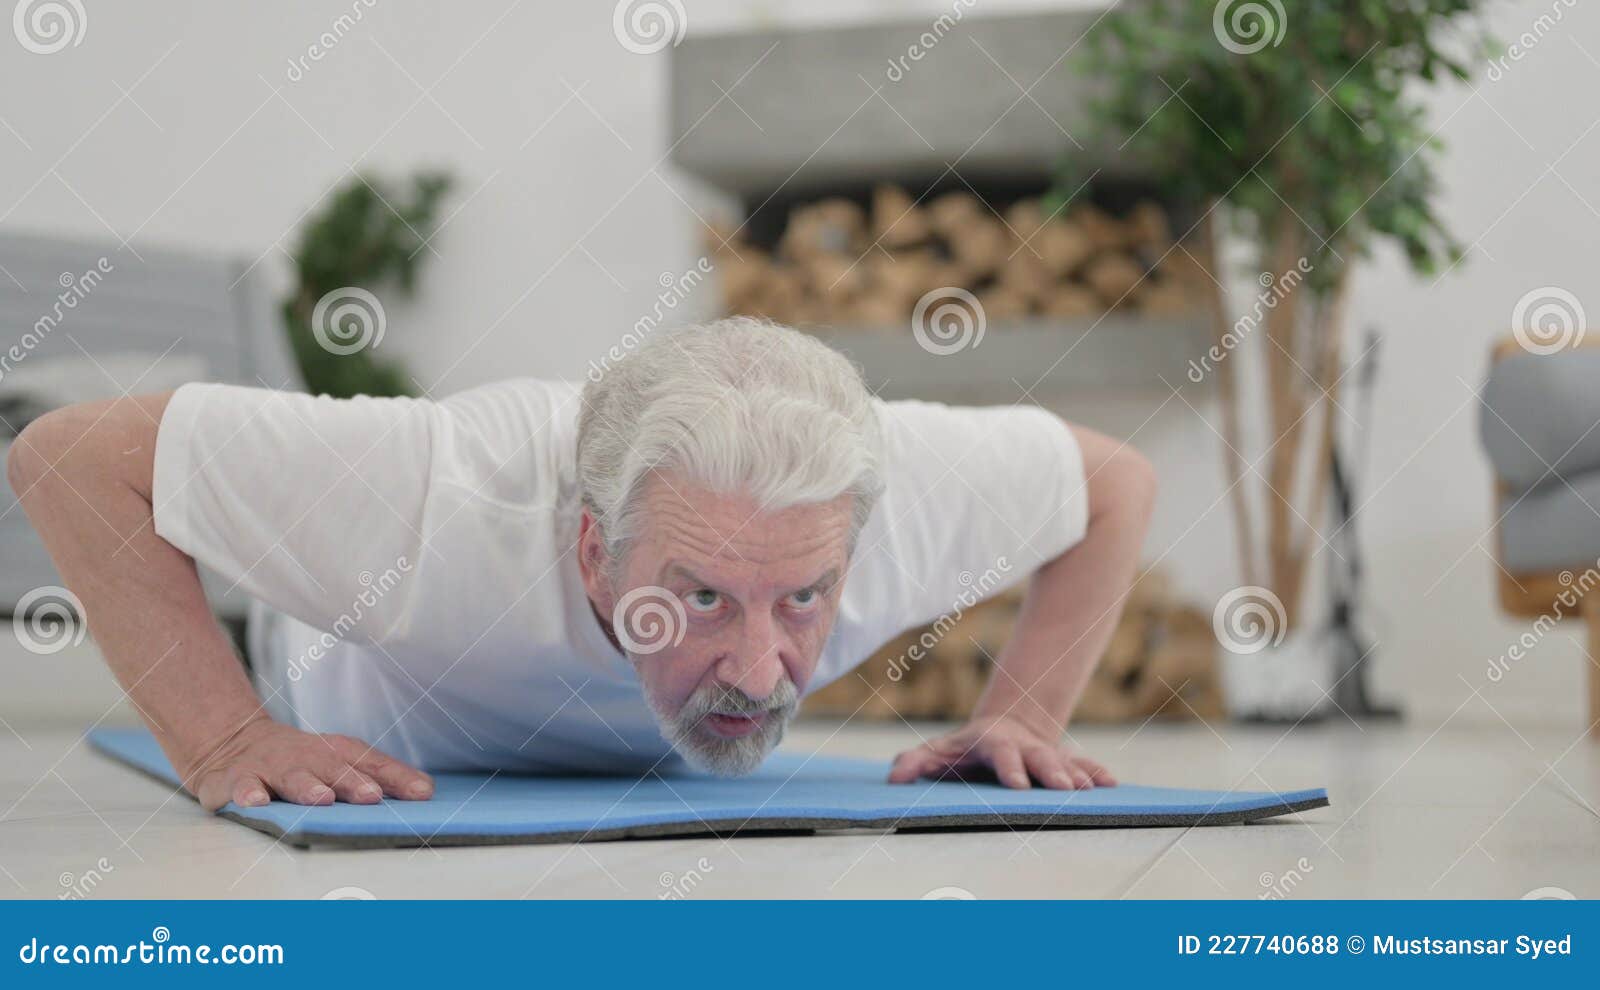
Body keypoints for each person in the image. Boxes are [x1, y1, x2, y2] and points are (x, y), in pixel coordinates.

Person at [8, 317, 1155, 811]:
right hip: (326, 663)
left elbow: (1115, 485)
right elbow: (65, 460)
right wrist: (228, 738)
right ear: (594, 552)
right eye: (701, 597)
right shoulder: (436, 489)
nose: (761, 675)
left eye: (803, 598)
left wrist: (1027, 717)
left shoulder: (885, 488)